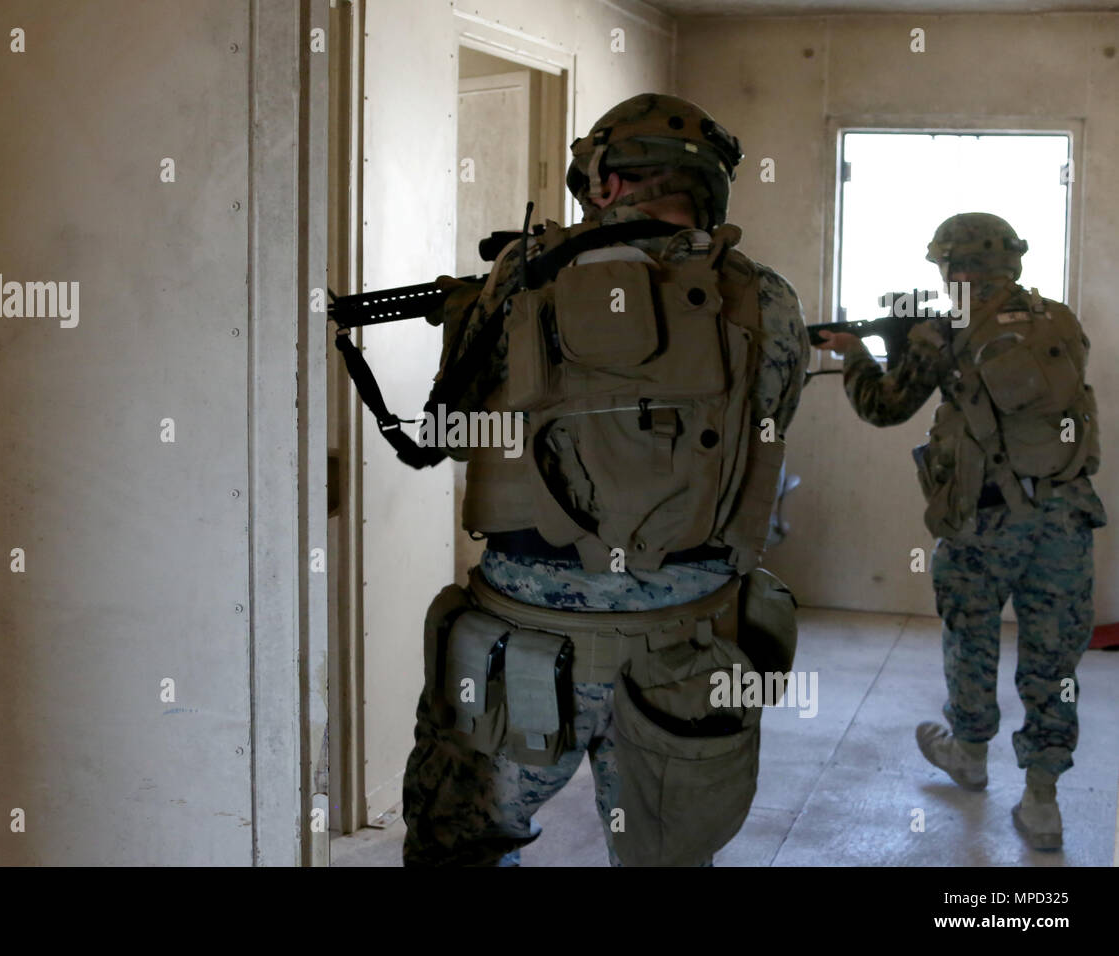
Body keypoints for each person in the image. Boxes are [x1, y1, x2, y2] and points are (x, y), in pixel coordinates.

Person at [400, 94, 810, 866]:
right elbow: (771, 422)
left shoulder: (522, 272)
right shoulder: (768, 295)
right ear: (707, 187)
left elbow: (460, 435)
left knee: (460, 847)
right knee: (667, 854)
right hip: (690, 646)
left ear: (606, 182)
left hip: (517, 650)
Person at [815, 212, 1105, 851]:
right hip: (1066, 518)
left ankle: (969, 753)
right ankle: (1043, 803)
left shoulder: (942, 330)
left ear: (950, 268)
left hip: (984, 520)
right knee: (1054, 661)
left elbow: (885, 407)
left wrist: (856, 352)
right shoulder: (1059, 320)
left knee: (972, 639)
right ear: (1015, 264)